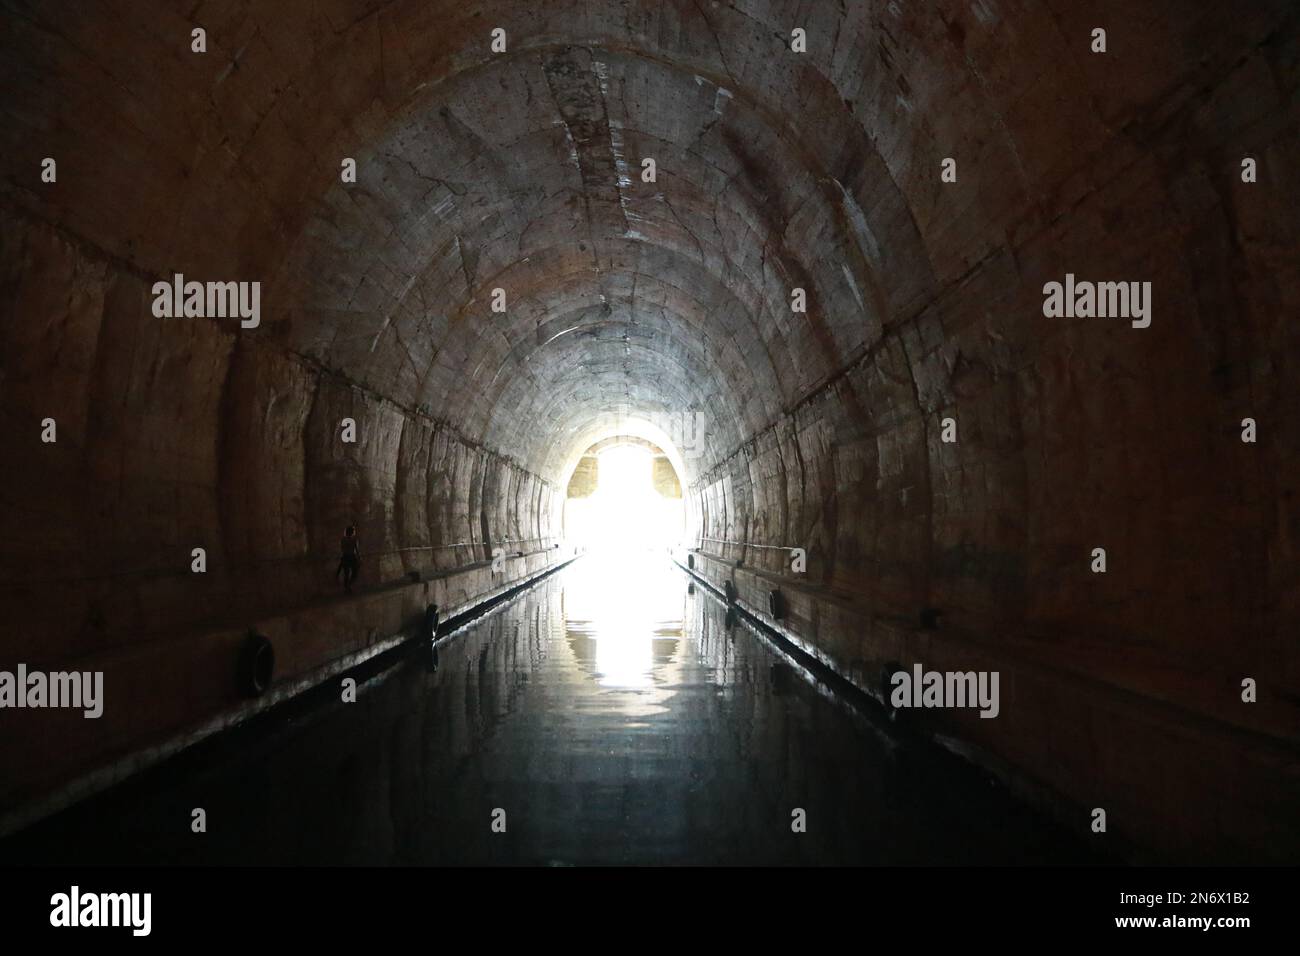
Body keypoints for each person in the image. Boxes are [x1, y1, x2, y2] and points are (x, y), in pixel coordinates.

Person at [337, 525, 360, 593]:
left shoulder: (343, 539)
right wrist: (359, 557)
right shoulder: (353, 539)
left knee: (347, 573)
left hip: (346, 556)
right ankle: (348, 586)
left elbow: (342, 549)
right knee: (353, 573)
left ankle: (347, 587)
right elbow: (356, 550)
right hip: (351, 557)